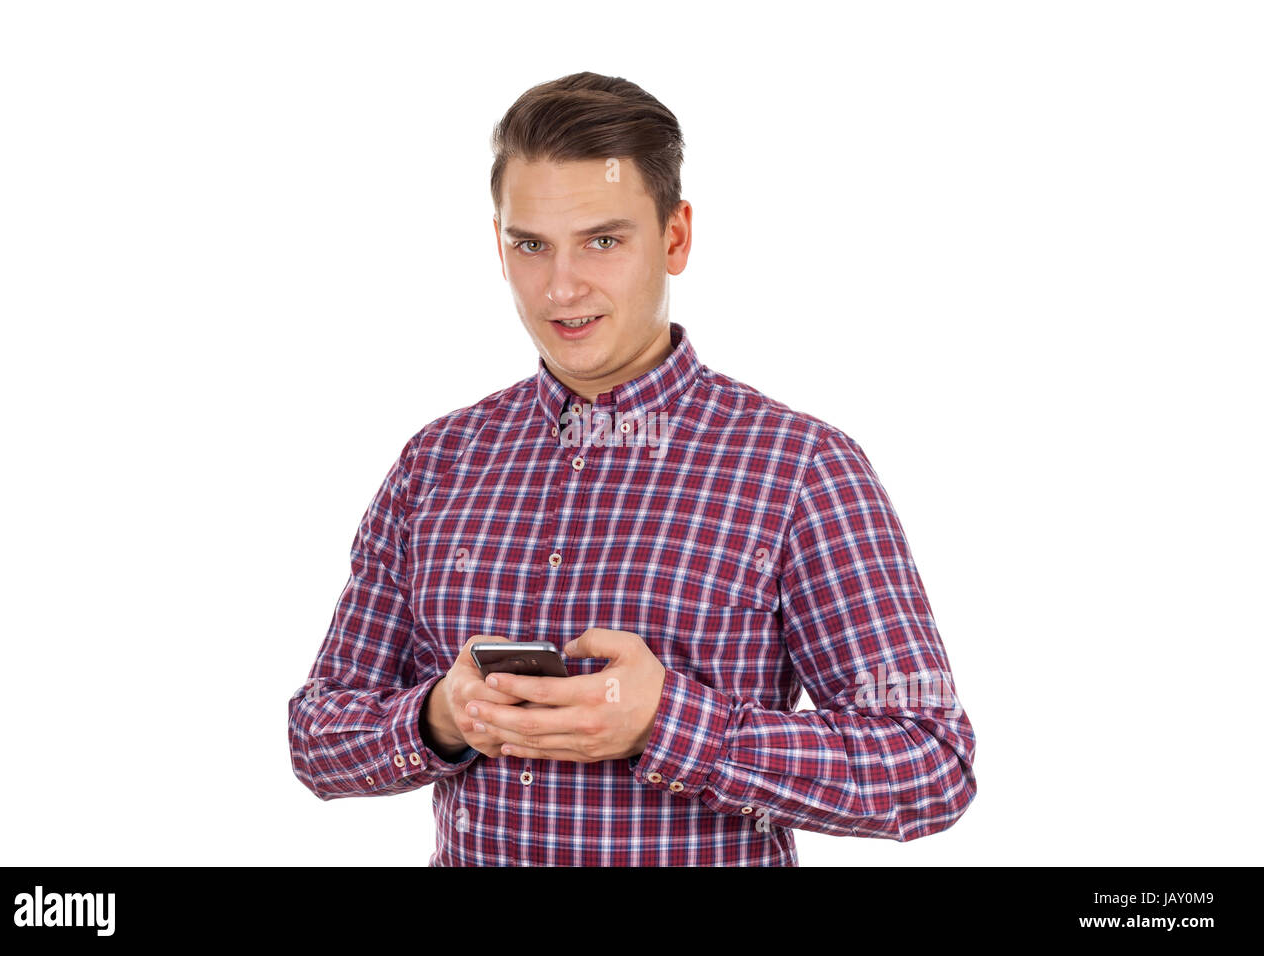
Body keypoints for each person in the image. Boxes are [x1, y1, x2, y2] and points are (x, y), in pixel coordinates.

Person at [287, 71, 977, 866]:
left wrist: (669, 724)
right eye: (530, 245)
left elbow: (928, 765)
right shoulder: (438, 461)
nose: (562, 286)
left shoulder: (800, 468)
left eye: (604, 240)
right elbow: (318, 736)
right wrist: (441, 716)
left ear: (676, 237)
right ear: (498, 244)